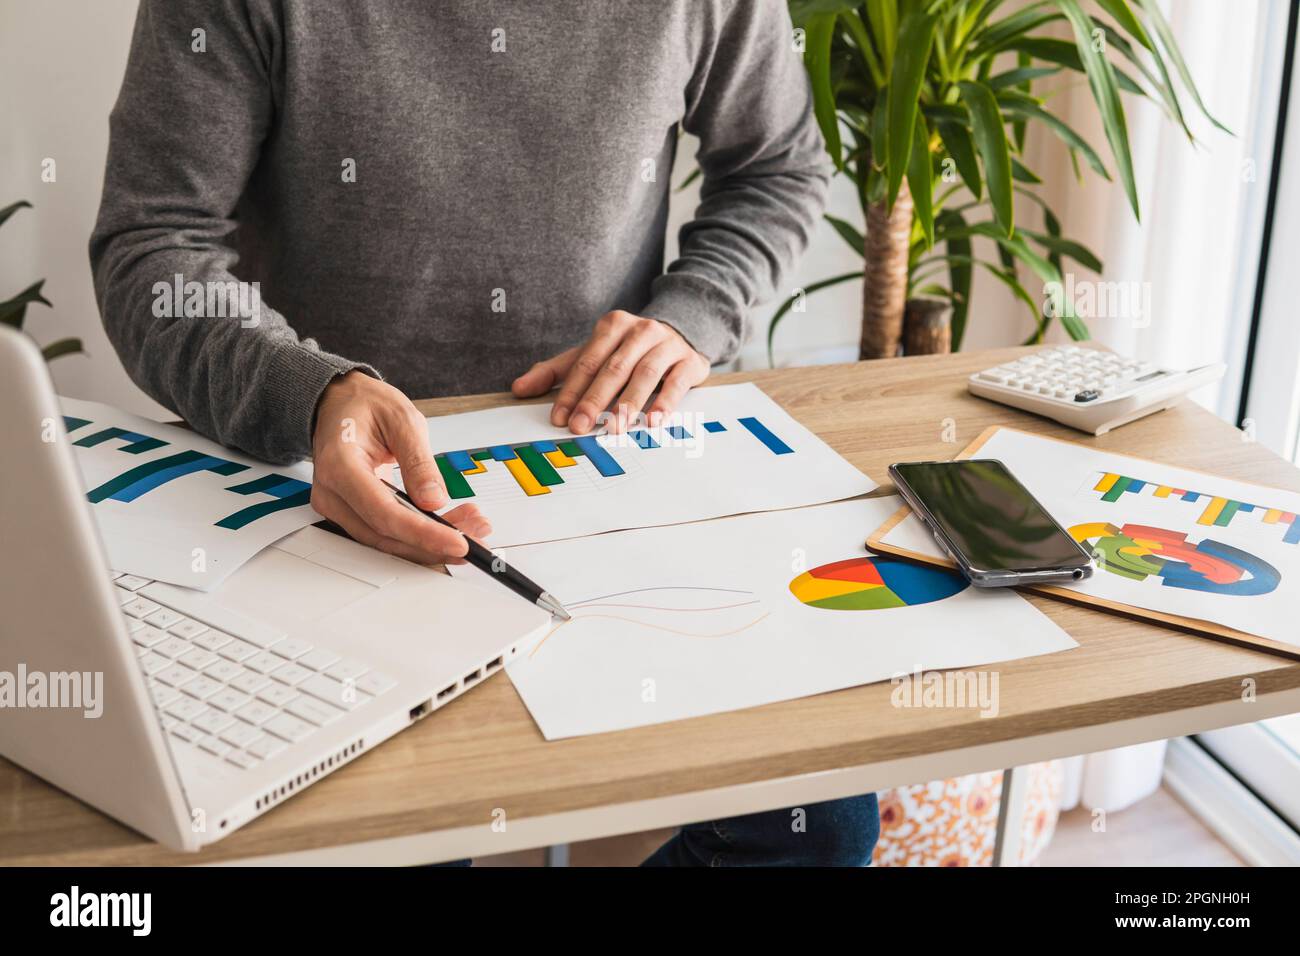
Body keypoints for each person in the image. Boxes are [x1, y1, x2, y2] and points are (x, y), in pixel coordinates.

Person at [90, 0, 878, 866]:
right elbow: (153, 246)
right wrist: (310, 395)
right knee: (418, 836)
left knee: (821, 828)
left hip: (607, 463)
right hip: (339, 489)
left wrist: (694, 314)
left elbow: (779, 167)